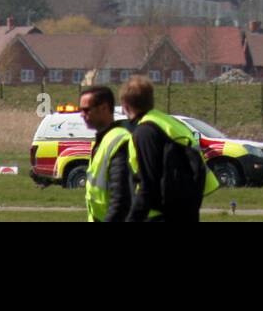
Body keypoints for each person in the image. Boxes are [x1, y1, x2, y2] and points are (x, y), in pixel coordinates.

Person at [121, 75, 217, 222]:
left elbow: (148, 184)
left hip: (158, 214)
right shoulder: (169, 123)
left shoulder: (145, 131)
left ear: (126, 105)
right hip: (186, 210)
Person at [78, 85, 132, 223]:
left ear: (104, 108)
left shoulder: (119, 140)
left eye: (86, 110)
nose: (82, 114)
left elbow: (120, 198)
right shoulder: (102, 140)